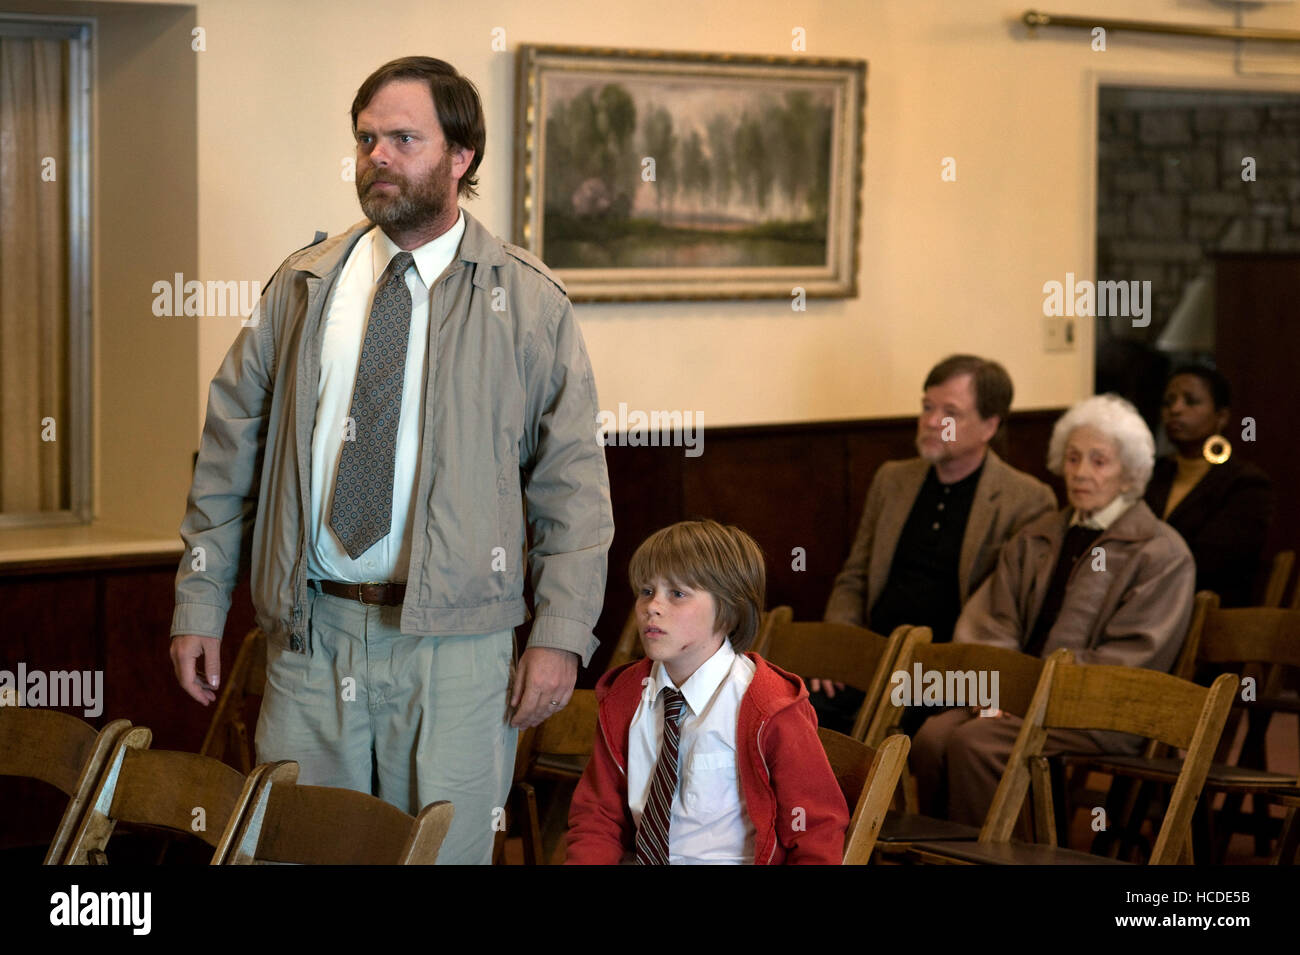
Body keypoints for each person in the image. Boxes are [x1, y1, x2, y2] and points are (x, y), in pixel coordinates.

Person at [168, 56, 612, 864]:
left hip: (457, 643)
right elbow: (229, 448)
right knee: (301, 850)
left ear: (460, 158)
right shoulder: (304, 283)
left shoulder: (529, 303)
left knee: (441, 855)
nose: (378, 156)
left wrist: (561, 633)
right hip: (312, 632)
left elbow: (573, 486)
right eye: (367, 138)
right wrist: (201, 598)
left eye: (404, 139)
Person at [911, 394, 1196, 826]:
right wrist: (998, 688)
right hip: (1016, 699)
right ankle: (940, 854)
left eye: (1099, 461)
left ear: (1129, 474)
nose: (1081, 472)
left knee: (977, 744)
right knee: (932, 737)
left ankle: (1000, 858)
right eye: (1073, 458)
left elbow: (1130, 659)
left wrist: (1028, 694)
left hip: (1102, 711)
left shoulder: (1161, 553)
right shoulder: (1037, 536)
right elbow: (993, 620)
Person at [566, 520, 848, 865]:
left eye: (677, 594)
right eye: (646, 591)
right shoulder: (625, 696)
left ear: (728, 611)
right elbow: (598, 816)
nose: (652, 606)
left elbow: (816, 831)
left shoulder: (768, 706)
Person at [816, 355, 1056, 731]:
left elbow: (1010, 609)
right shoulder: (893, 479)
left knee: (872, 726)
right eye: (927, 407)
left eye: (950, 413)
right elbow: (855, 576)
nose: (930, 421)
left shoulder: (1026, 499)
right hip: (873, 657)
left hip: (950, 673)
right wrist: (836, 647)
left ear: (989, 425)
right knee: (793, 708)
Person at [1145, 365, 1273, 607]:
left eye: (1190, 401)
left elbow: (1214, 564)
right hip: (1147, 599)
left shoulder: (1246, 484)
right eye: (1168, 402)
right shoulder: (1151, 473)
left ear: (1221, 417)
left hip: (1209, 612)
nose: (1175, 409)